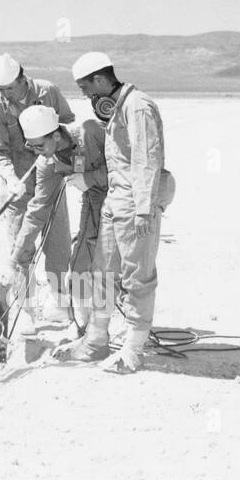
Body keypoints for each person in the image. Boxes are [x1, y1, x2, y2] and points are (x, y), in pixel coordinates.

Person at [53, 51, 173, 374]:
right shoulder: (115, 112)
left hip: (136, 204)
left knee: (137, 277)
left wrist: (145, 211)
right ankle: (95, 340)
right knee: (102, 271)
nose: (87, 96)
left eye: (86, 88)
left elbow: (147, 159)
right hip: (115, 201)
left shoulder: (138, 107)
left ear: (101, 79)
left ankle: (132, 350)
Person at [0, 53, 75, 317]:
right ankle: (27, 310)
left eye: (10, 88)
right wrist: (11, 179)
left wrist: (54, 150)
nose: (7, 94)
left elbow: (68, 123)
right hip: (18, 187)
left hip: (51, 178)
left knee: (58, 241)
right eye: (1, 90)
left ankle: (58, 301)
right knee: (21, 245)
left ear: (23, 79)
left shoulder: (48, 91)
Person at [13, 104, 108, 339]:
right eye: (31, 147)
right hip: (94, 199)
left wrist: (91, 177)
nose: (37, 153)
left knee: (119, 264)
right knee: (80, 265)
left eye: (39, 146)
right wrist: (21, 247)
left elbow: (127, 168)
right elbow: (39, 207)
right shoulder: (48, 161)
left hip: (125, 199)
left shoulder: (92, 134)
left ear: (56, 136)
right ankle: (86, 327)